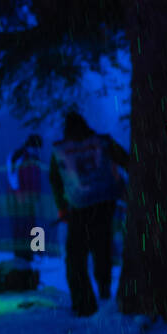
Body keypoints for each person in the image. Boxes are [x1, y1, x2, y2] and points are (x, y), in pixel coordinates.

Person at [49, 111, 128, 317]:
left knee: (76, 257)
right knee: (102, 247)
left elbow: (55, 180)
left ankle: (84, 303)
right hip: (105, 203)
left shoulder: (61, 150)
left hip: (79, 207)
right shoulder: (103, 142)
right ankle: (104, 290)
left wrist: (62, 208)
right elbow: (127, 160)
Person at [7, 133, 43, 261]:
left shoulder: (33, 157)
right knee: (23, 225)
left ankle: (34, 253)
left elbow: (36, 178)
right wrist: (18, 192)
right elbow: (13, 175)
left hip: (28, 197)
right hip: (20, 198)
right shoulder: (20, 156)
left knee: (31, 224)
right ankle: (23, 254)